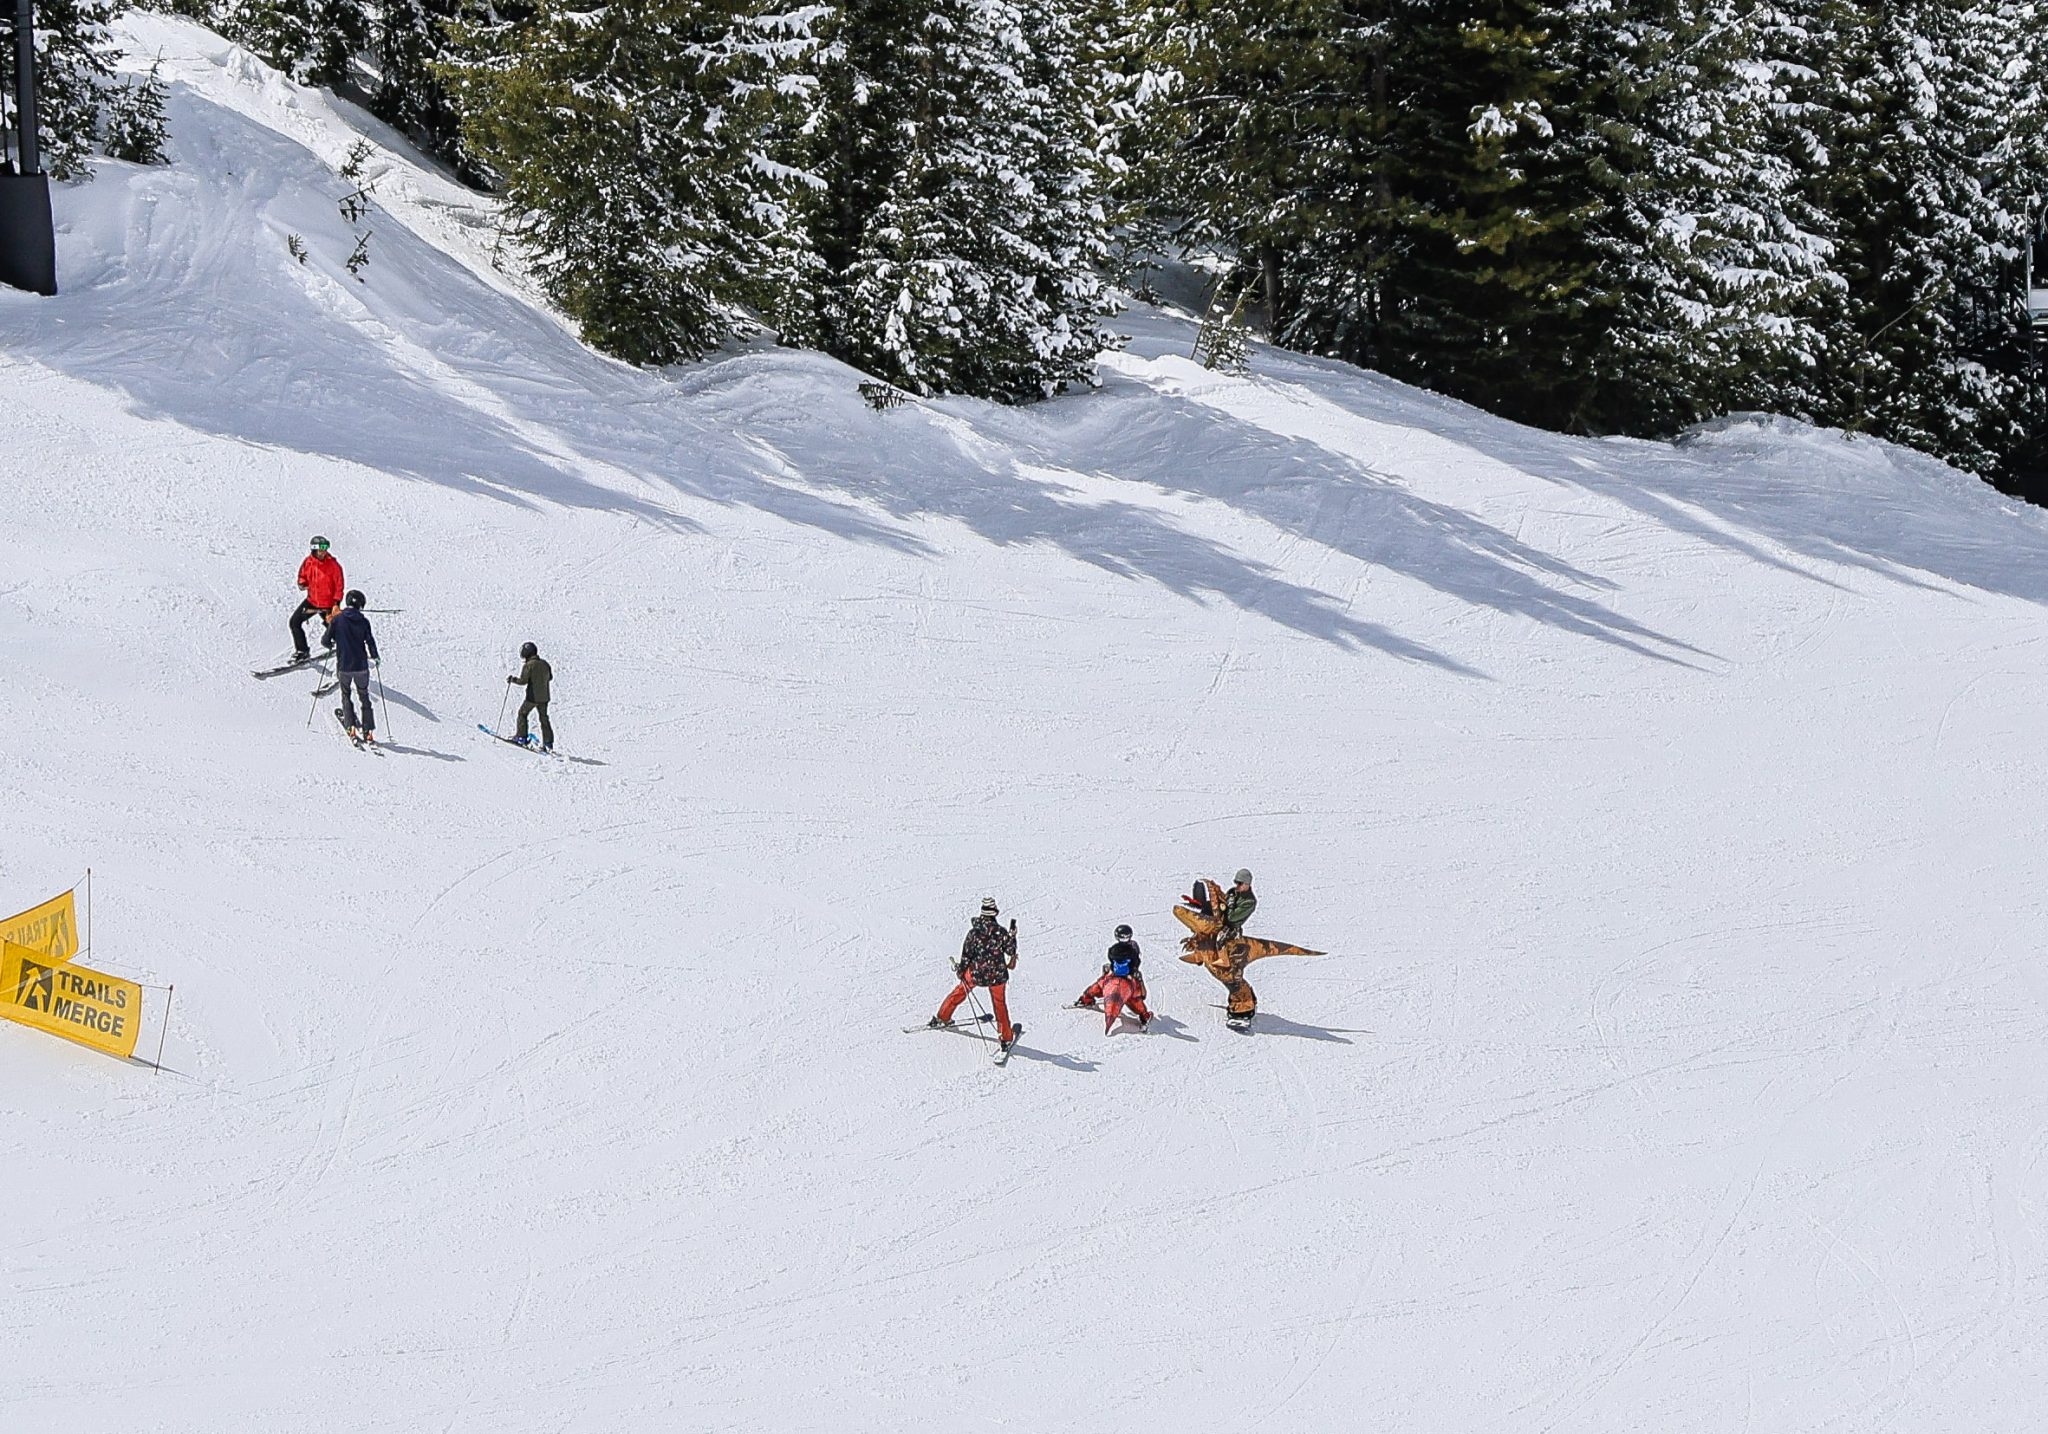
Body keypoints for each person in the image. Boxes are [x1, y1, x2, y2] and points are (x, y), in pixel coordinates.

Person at [932, 897, 1018, 1044]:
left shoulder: (973, 933)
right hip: (997, 975)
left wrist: (961, 971)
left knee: (960, 991)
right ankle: (1005, 1036)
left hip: (976, 972)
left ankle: (943, 1017)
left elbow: (966, 955)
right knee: (999, 1004)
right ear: (994, 914)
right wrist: (1012, 937)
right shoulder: (1001, 932)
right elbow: (1010, 950)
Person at [1075, 923, 1151, 1031]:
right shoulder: (1132, 950)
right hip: (1128, 977)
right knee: (1136, 996)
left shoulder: (1113, 949)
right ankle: (1144, 1016)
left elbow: (1111, 959)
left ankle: (1085, 998)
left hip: (1113, 976)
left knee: (1100, 984)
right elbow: (1136, 962)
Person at [328, 590, 380, 742]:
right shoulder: (364, 621)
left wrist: (332, 642)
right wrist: (375, 657)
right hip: (361, 666)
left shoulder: (338, 620)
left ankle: (351, 727)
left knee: (346, 694)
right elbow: (370, 641)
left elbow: (326, 640)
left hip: (344, 665)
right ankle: (368, 730)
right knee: (364, 696)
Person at [290, 535, 345, 661]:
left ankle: (347, 646)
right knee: (294, 622)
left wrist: (336, 603)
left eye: (325, 548)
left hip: (329, 605)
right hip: (312, 602)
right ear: (314, 549)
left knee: (334, 627)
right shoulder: (308, 563)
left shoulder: (333, 565)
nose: (323, 552)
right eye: (321, 549)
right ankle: (302, 651)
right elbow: (302, 575)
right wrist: (302, 583)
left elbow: (339, 585)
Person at [507, 642, 553, 751]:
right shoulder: (545, 664)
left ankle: (521, 737)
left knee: (522, 713)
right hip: (545, 697)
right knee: (544, 719)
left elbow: (523, 681)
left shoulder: (528, 665)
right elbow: (550, 677)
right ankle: (548, 743)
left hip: (532, 697)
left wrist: (513, 679)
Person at [1220, 869, 1257, 943]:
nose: (1237, 886)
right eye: (1236, 883)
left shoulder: (1249, 902)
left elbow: (1232, 917)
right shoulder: (1233, 892)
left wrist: (1231, 905)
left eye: (1240, 883)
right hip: (1220, 921)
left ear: (1247, 884)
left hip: (1231, 931)